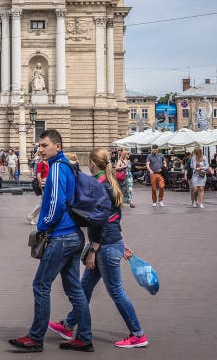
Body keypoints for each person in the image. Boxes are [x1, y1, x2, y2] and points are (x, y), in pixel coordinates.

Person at [48, 147, 148, 349]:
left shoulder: (100, 186)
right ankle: (68, 325)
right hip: (111, 242)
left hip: (105, 246)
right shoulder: (110, 183)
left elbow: (101, 222)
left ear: (92, 163)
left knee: (116, 291)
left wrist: (93, 250)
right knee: (84, 288)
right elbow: (115, 218)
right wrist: (121, 242)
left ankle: (138, 334)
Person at [9, 129, 92, 353]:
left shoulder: (56, 168)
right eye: (40, 145)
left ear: (58, 146)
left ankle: (36, 337)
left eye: (45, 145)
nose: (41, 149)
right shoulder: (68, 166)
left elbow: (56, 203)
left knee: (41, 285)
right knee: (74, 289)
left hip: (61, 236)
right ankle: (84, 337)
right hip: (74, 235)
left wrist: (43, 224)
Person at [27, 155, 49, 225]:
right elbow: (38, 175)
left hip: (50, 184)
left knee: (44, 202)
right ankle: (32, 216)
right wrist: (41, 183)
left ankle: (32, 217)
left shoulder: (50, 163)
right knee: (44, 202)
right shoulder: (41, 164)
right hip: (44, 185)